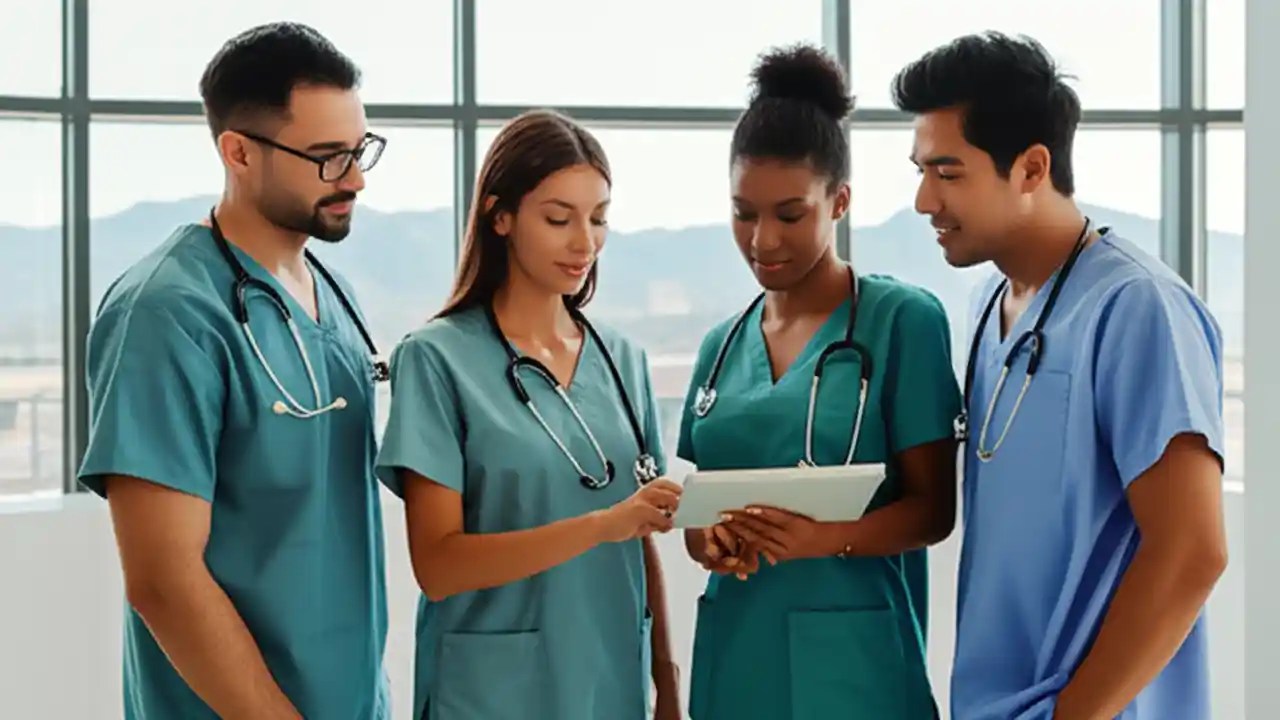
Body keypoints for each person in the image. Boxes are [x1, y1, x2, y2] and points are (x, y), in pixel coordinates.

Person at [892, 31, 1229, 720]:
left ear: (1031, 167)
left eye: (948, 174)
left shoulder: (1137, 308)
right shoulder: (988, 304)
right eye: (921, 171)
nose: (925, 200)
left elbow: (1193, 551)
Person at [77, 22, 390, 720]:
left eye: (359, 149)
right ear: (239, 152)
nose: (356, 178)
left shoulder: (333, 295)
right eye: (327, 158)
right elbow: (163, 581)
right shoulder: (167, 312)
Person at [678, 44, 962, 719]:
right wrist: (709, 542)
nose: (762, 240)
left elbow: (933, 512)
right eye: (744, 213)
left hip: (856, 671)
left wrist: (821, 538)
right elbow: (699, 515)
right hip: (736, 663)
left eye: (789, 214)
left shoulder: (901, 321)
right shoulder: (720, 347)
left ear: (839, 202)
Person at [374, 109, 683, 720]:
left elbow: (641, 534)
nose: (584, 243)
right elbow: (438, 565)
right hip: (492, 693)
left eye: (599, 218)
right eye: (558, 219)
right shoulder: (437, 360)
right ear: (501, 216)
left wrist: (667, 684)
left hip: (610, 683)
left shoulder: (622, 360)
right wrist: (602, 524)